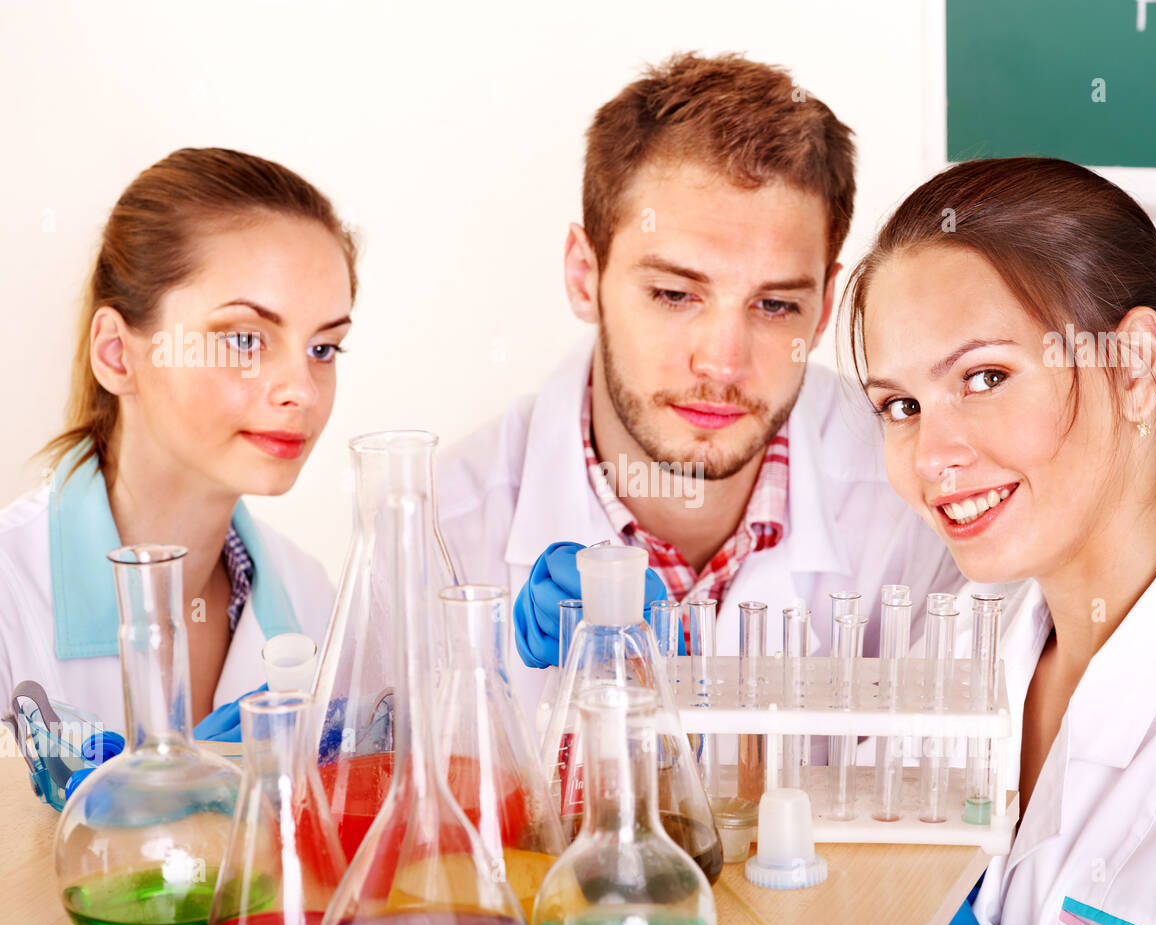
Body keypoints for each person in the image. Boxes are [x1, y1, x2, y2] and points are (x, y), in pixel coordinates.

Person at [845, 156, 1156, 925]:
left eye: (985, 376)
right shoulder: (955, 651)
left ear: (1133, 366)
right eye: (902, 406)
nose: (932, 456)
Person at [438, 53, 964, 726]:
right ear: (582, 275)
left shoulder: (918, 507)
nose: (722, 364)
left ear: (826, 303)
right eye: (675, 294)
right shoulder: (446, 530)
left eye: (774, 306)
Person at [0, 147, 355, 735]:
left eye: (323, 348)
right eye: (245, 339)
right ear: (118, 354)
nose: (302, 392)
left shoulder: (313, 600)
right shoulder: (11, 596)